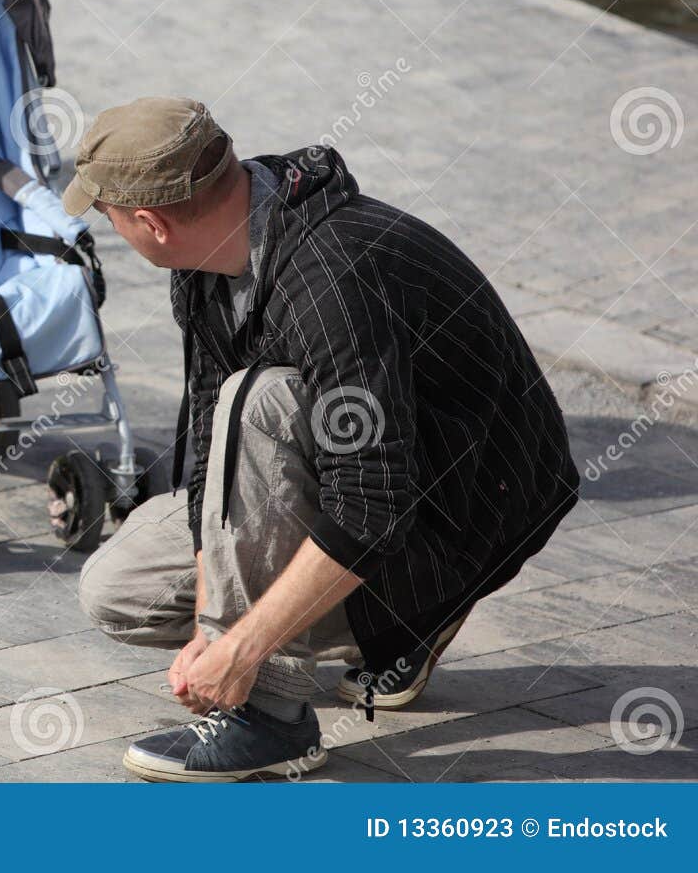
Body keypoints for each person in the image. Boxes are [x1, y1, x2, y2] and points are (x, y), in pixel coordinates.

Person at [65, 97, 579, 782]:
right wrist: (206, 620)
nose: (114, 228)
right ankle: (397, 628)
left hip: (464, 510)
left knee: (262, 403)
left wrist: (245, 647)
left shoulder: (332, 278)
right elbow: (204, 435)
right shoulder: (206, 261)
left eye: (110, 216)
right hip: (377, 480)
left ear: (151, 223)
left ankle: (273, 721)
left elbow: (374, 500)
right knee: (118, 586)